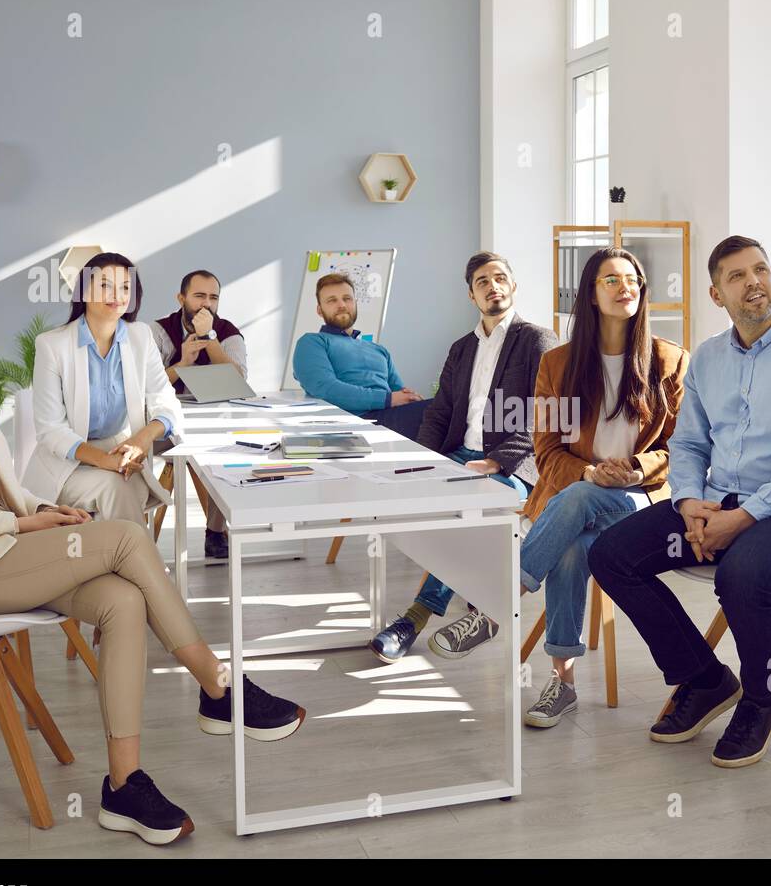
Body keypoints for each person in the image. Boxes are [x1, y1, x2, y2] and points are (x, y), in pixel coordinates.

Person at [0, 269, 305, 845]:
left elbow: (1, 485)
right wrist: (23, 522)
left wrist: (44, 509)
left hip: (6, 551)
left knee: (124, 602)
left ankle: (123, 787)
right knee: (126, 538)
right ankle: (218, 685)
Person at [589, 235, 771, 766]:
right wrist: (689, 502)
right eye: (737, 276)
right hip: (717, 505)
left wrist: (743, 518)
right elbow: (687, 443)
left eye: (760, 269)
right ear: (717, 294)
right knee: (610, 556)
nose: (753, 281)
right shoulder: (708, 357)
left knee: (745, 572)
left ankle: (761, 702)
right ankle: (704, 678)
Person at [442, 247, 687, 729]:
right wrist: (590, 474)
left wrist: (636, 469)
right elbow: (549, 450)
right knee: (574, 545)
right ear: (591, 296)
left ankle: (497, 602)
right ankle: (564, 684)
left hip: (641, 502)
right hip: (581, 499)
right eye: (611, 281)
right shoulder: (560, 364)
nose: (626, 287)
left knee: (579, 500)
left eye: (632, 278)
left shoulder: (669, 360)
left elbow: (685, 449)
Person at [369, 252, 558, 663]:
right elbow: (441, 410)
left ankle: (415, 618)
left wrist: (498, 461)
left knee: (468, 509)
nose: (493, 286)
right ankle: (477, 598)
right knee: (403, 503)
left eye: (500, 278)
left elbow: (548, 414)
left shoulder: (537, 341)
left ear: (512, 285)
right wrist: (421, 457)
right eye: (483, 281)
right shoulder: (461, 349)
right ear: (471, 294)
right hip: (458, 456)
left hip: (513, 464)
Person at [23, 253, 177, 528]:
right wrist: (103, 461)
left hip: (118, 450)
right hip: (67, 462)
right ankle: (137, 564)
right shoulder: (52, 345)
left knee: (122, 483)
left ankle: (125, 562)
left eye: (125, 287)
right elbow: (50, 429)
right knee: (118, 486)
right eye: (105, 284)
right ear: (83, 290)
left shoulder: (141, 336)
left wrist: (142, 439)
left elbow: (165, 399)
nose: (116, 295)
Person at [151, 269, 246, 559]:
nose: (206, 304)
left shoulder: (228, 332)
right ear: (182, 298)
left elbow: (240, 383)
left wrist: (211, 339)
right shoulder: (157, 331)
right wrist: (183, 363)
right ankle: (136, 533)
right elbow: (146, 386)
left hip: (213, 423)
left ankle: (216, 531)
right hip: (165, 425)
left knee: (227, 449)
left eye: (213, 297)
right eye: (199, 296)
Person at [291, 273, 430, 440]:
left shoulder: (378, 350)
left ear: (355, 303)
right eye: (332, 300)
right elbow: (326, 388)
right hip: (358, 422)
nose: (341, 305)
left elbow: (399, 391)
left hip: (393, 417)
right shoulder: (312, 342)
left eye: (347, 298)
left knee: (446, 407)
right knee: (442, 410)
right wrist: (387, 399)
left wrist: (412, 398)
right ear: (320, 310)